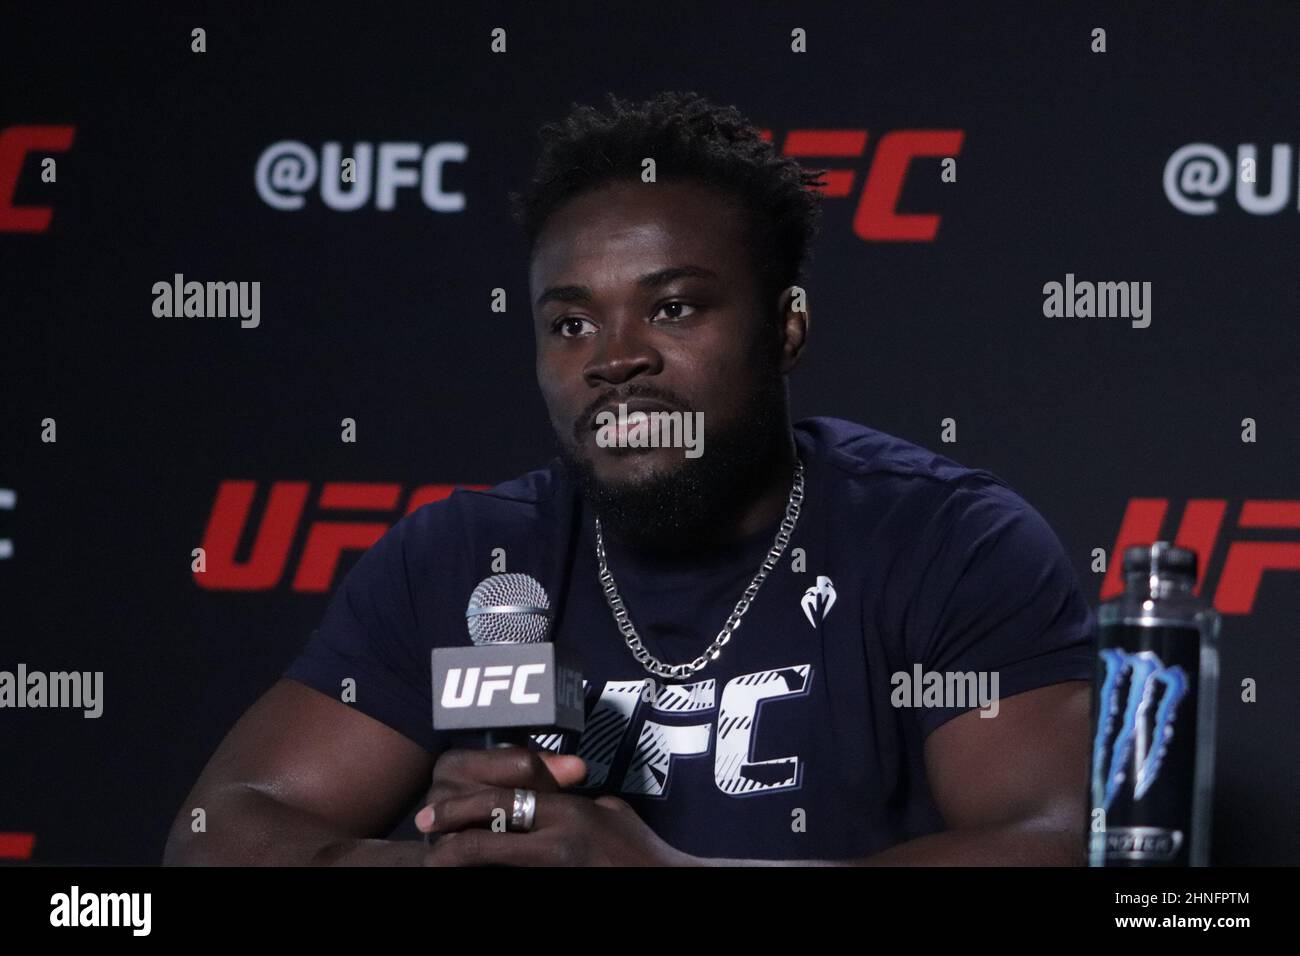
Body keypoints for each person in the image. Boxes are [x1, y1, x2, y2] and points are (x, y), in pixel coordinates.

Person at [164, 91, 1094, 866]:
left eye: (674, 308)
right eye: (572, 324)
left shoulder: (946, 545)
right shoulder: (464, 561)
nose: (615, 360)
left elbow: (1047, 842)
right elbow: (224, 830)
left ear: (786, 330)